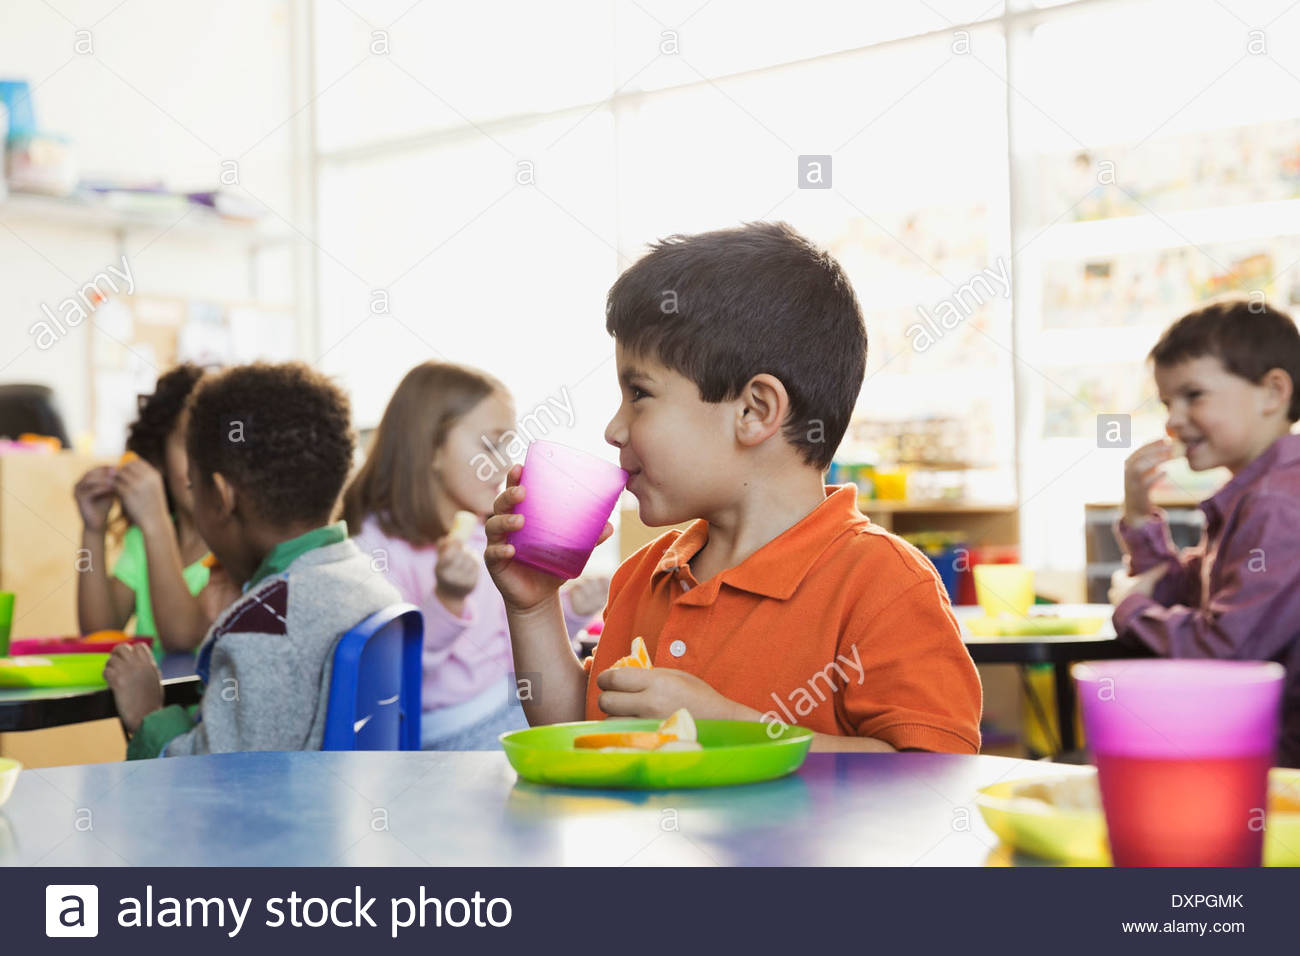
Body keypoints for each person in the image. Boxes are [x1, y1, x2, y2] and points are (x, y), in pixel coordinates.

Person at [485, 222, 982, 752]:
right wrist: (534, 608)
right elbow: (584, 730)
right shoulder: (643, 577)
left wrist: (726, 727)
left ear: (754, 410)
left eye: (639, 393)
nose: (614, 428)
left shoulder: (883, 584)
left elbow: (936, 772)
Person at [104, 362, 400, 757]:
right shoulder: (371, 581)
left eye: (195, 486)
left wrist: (147, 716)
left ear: (222, 498)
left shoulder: (263, 623)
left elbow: (220, 783)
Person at [343, 361, 607, 749]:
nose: (504, 462)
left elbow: (514, 645)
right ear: (430, 447)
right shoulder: (374, 548)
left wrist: (567, 611)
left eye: (508, 444)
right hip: (450, 732)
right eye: (490, 443)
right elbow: (388, 678)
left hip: (509, 707)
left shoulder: (485, 534)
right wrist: (447, 599)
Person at [1110, 298, 1300, 767]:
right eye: (1167, 402)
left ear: (1273, 392)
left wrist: (1131, 609)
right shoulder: (1255, 491)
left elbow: (1226, 652)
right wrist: (1139, 513)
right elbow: (1188, 593)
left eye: (1193, 395)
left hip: (1276, 767)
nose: (1173, 420)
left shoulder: (1276, 502)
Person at [75, 364, 213, 676]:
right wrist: (93, 530)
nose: (200, 465)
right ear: (160, 458)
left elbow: (182, 637)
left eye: (214, 447)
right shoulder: (143, 540)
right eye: (188, 446)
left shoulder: (232, 550)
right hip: (150, 721)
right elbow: (99, 633)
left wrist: (155, 521)